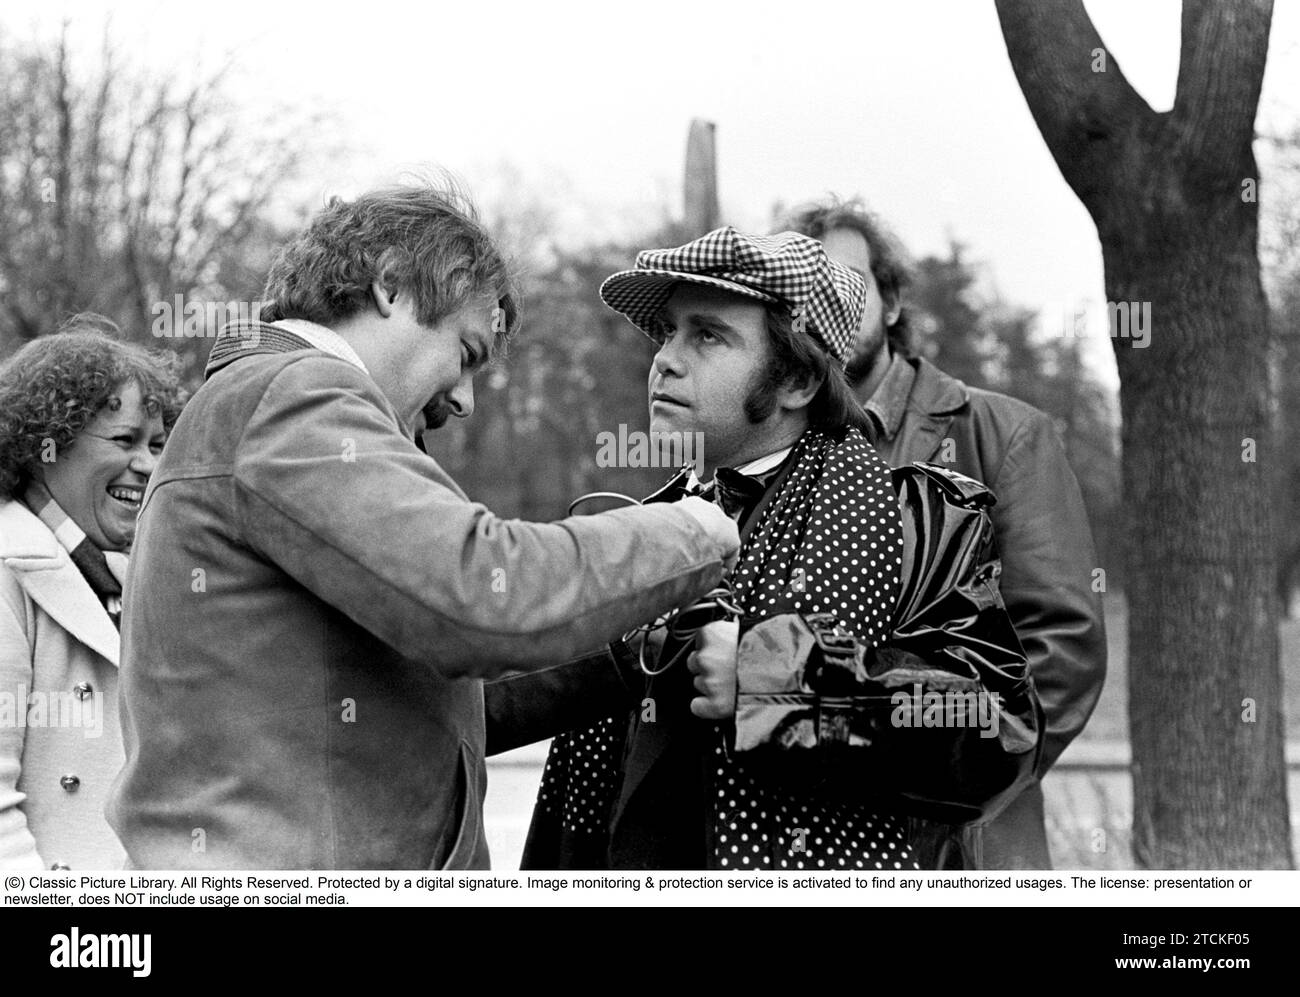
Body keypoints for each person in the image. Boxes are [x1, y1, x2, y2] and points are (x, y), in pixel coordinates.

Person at [107, 178, 740, 870]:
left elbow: (434, 701)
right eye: (466, 353)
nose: (464, 401)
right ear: (390, 287)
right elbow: (484, 593)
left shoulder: (257, 405)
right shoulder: (295, 396)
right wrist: (694, 532)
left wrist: (620, 659)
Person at [523, 226, 925, 871]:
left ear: (795, 379)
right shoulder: (654, 518)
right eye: (669, 332)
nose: (666, 359)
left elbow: (994, 732)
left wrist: (777, 680)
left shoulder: (914, 517)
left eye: (707, 335)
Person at [781, 197, 1106, 868]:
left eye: (845, 282)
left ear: (893, 302)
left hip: (963, 845)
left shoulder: (1006, 436)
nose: (825, 304)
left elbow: (1061, 653)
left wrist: (938, 778)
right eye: (802, 289)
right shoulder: (777, 453)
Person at [0, 318, 184, 870]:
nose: (149, 465)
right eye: (124, 440)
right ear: (45, 448)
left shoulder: (130, 576)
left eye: (156, 443)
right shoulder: (8, 566)